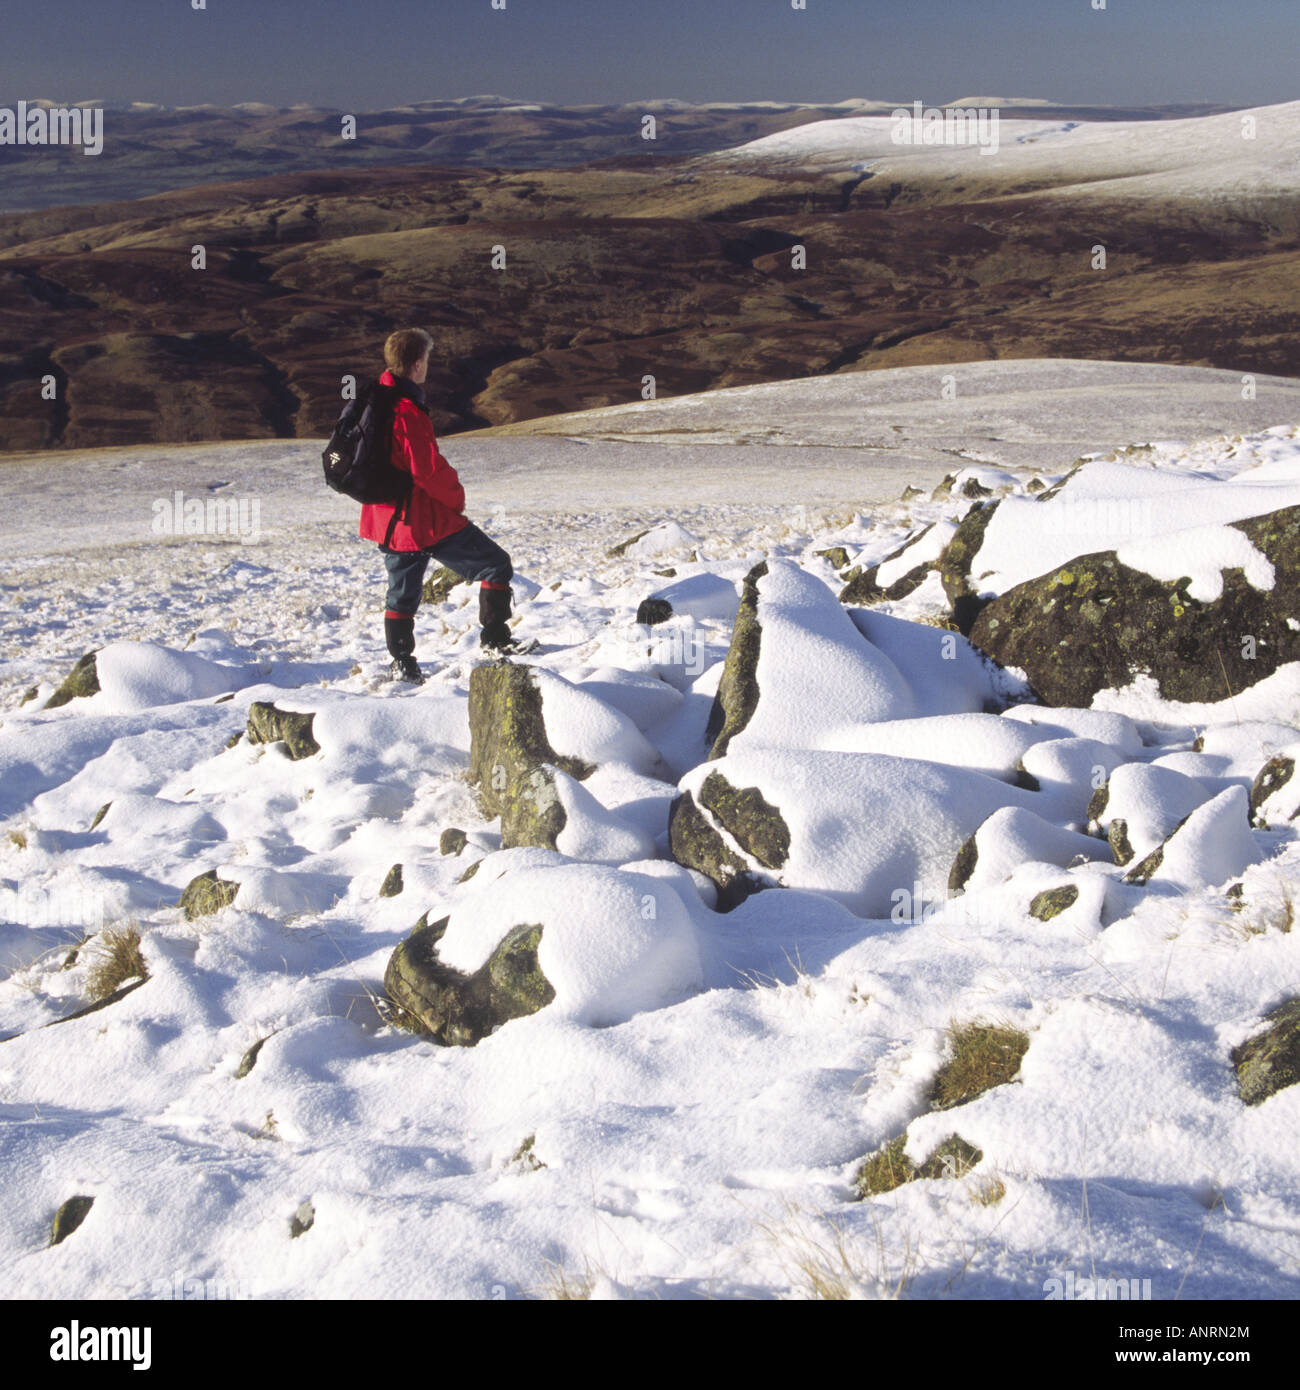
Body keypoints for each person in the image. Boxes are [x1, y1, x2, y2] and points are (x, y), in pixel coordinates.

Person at [359, 328, 522, 682]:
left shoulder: (374, 401)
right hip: (423, 519)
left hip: (387, 520)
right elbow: (428, 471)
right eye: (428, 359)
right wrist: (456, 498)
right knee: (496, 565)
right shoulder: (406, 411)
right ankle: (496, 641)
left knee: (401, 594)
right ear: (418, 364)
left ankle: (402, 662)